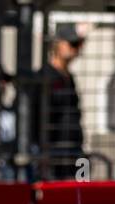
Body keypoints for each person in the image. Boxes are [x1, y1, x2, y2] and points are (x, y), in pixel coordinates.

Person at [39, 23, 85, 179]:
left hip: (75, 151)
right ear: (58, 44)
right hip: (52, 155)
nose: (76, 48)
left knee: (82, 192)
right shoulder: (44, 76)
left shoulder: (69, 78)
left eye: (79, 44)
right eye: (72, 43)